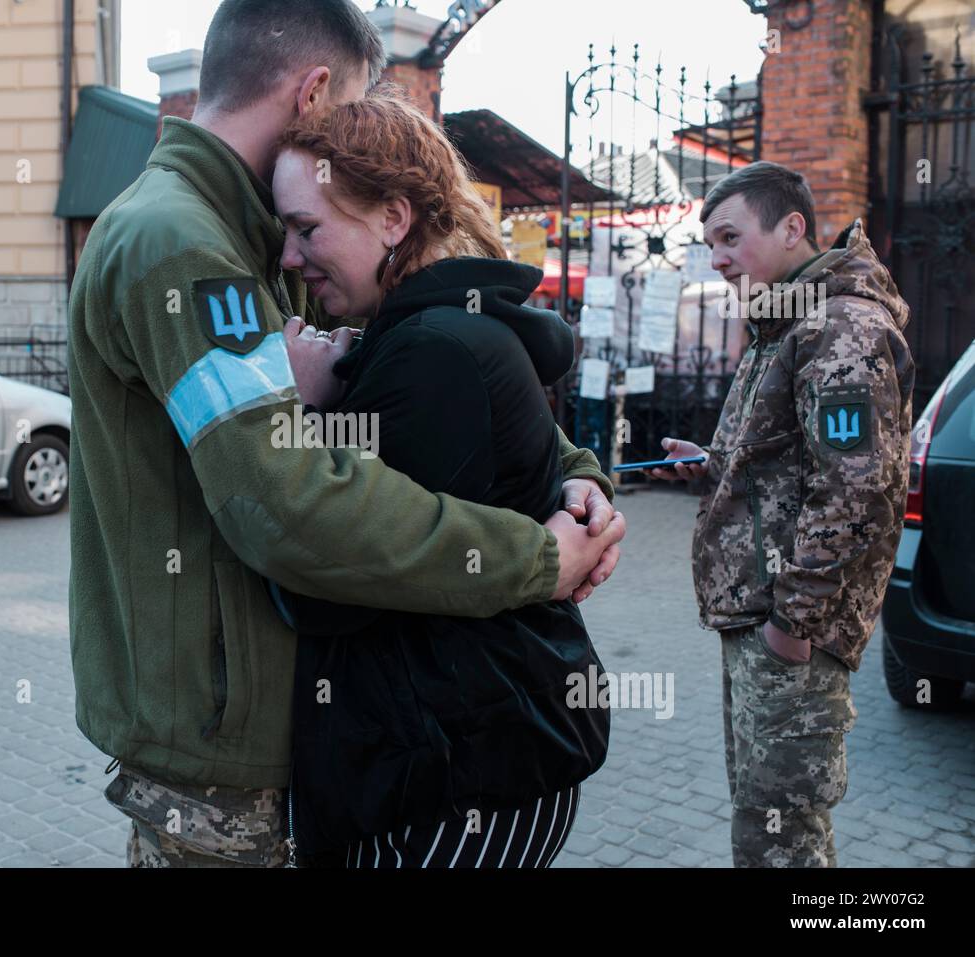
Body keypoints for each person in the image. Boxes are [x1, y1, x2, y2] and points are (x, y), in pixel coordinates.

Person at [67, 0, 623, 868]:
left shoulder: (248, 231)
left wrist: (575, 475)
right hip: (217, 737)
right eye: (351, 104)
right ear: (314, 91)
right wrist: (537, 559)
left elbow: (433, 363)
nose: (357, 132)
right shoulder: (184, 242)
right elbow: (284, 501)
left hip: (270, 716)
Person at [268, 93, 617, 868]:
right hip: (474, 762)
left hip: (457, 780)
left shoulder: (431, 352)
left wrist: (301, 408)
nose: (290, 258)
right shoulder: (443, 332)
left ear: (393, 219)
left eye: (306, 228)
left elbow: (330, 584)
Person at [649, 161, 914, 867]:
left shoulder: (841, 327)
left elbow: (859, 491)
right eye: (710, 243)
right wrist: (713, 463)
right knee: (768, 823)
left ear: (792, 226)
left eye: (731, 237)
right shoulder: (787, 322)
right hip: (763, 619)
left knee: (781, 838)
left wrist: (792, 627)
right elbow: (797, 463)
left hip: (790, 630)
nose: (718, 258)